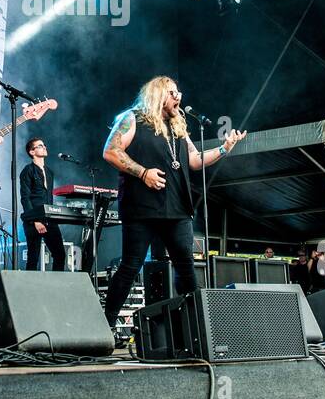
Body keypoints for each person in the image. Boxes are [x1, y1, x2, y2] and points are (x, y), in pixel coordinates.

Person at [100, 75, 246, 326]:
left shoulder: (178, 127)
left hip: (177, 208)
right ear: (157, 95)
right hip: (142, 208)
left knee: (186, 267)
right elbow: (111, 151)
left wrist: (224, 149)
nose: (178, 96)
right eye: (172, 92)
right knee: (130, 266)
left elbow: (194, 160)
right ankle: (105, 324)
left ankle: (196, 327)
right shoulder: (132, 118)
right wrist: (143, 173)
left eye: (179, 92)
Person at [20, 137, 66, 271]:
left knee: (60, 254)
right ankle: (30, 290)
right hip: (33, 218)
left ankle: (56, 286)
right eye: (40, 146)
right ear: (32, 152)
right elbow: (25, 197)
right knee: (33, 257)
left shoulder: (50, 172)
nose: (44, 147)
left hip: (49, 217)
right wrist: (35, 220)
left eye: (44, 145)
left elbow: (48, 196)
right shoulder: (28, 170)